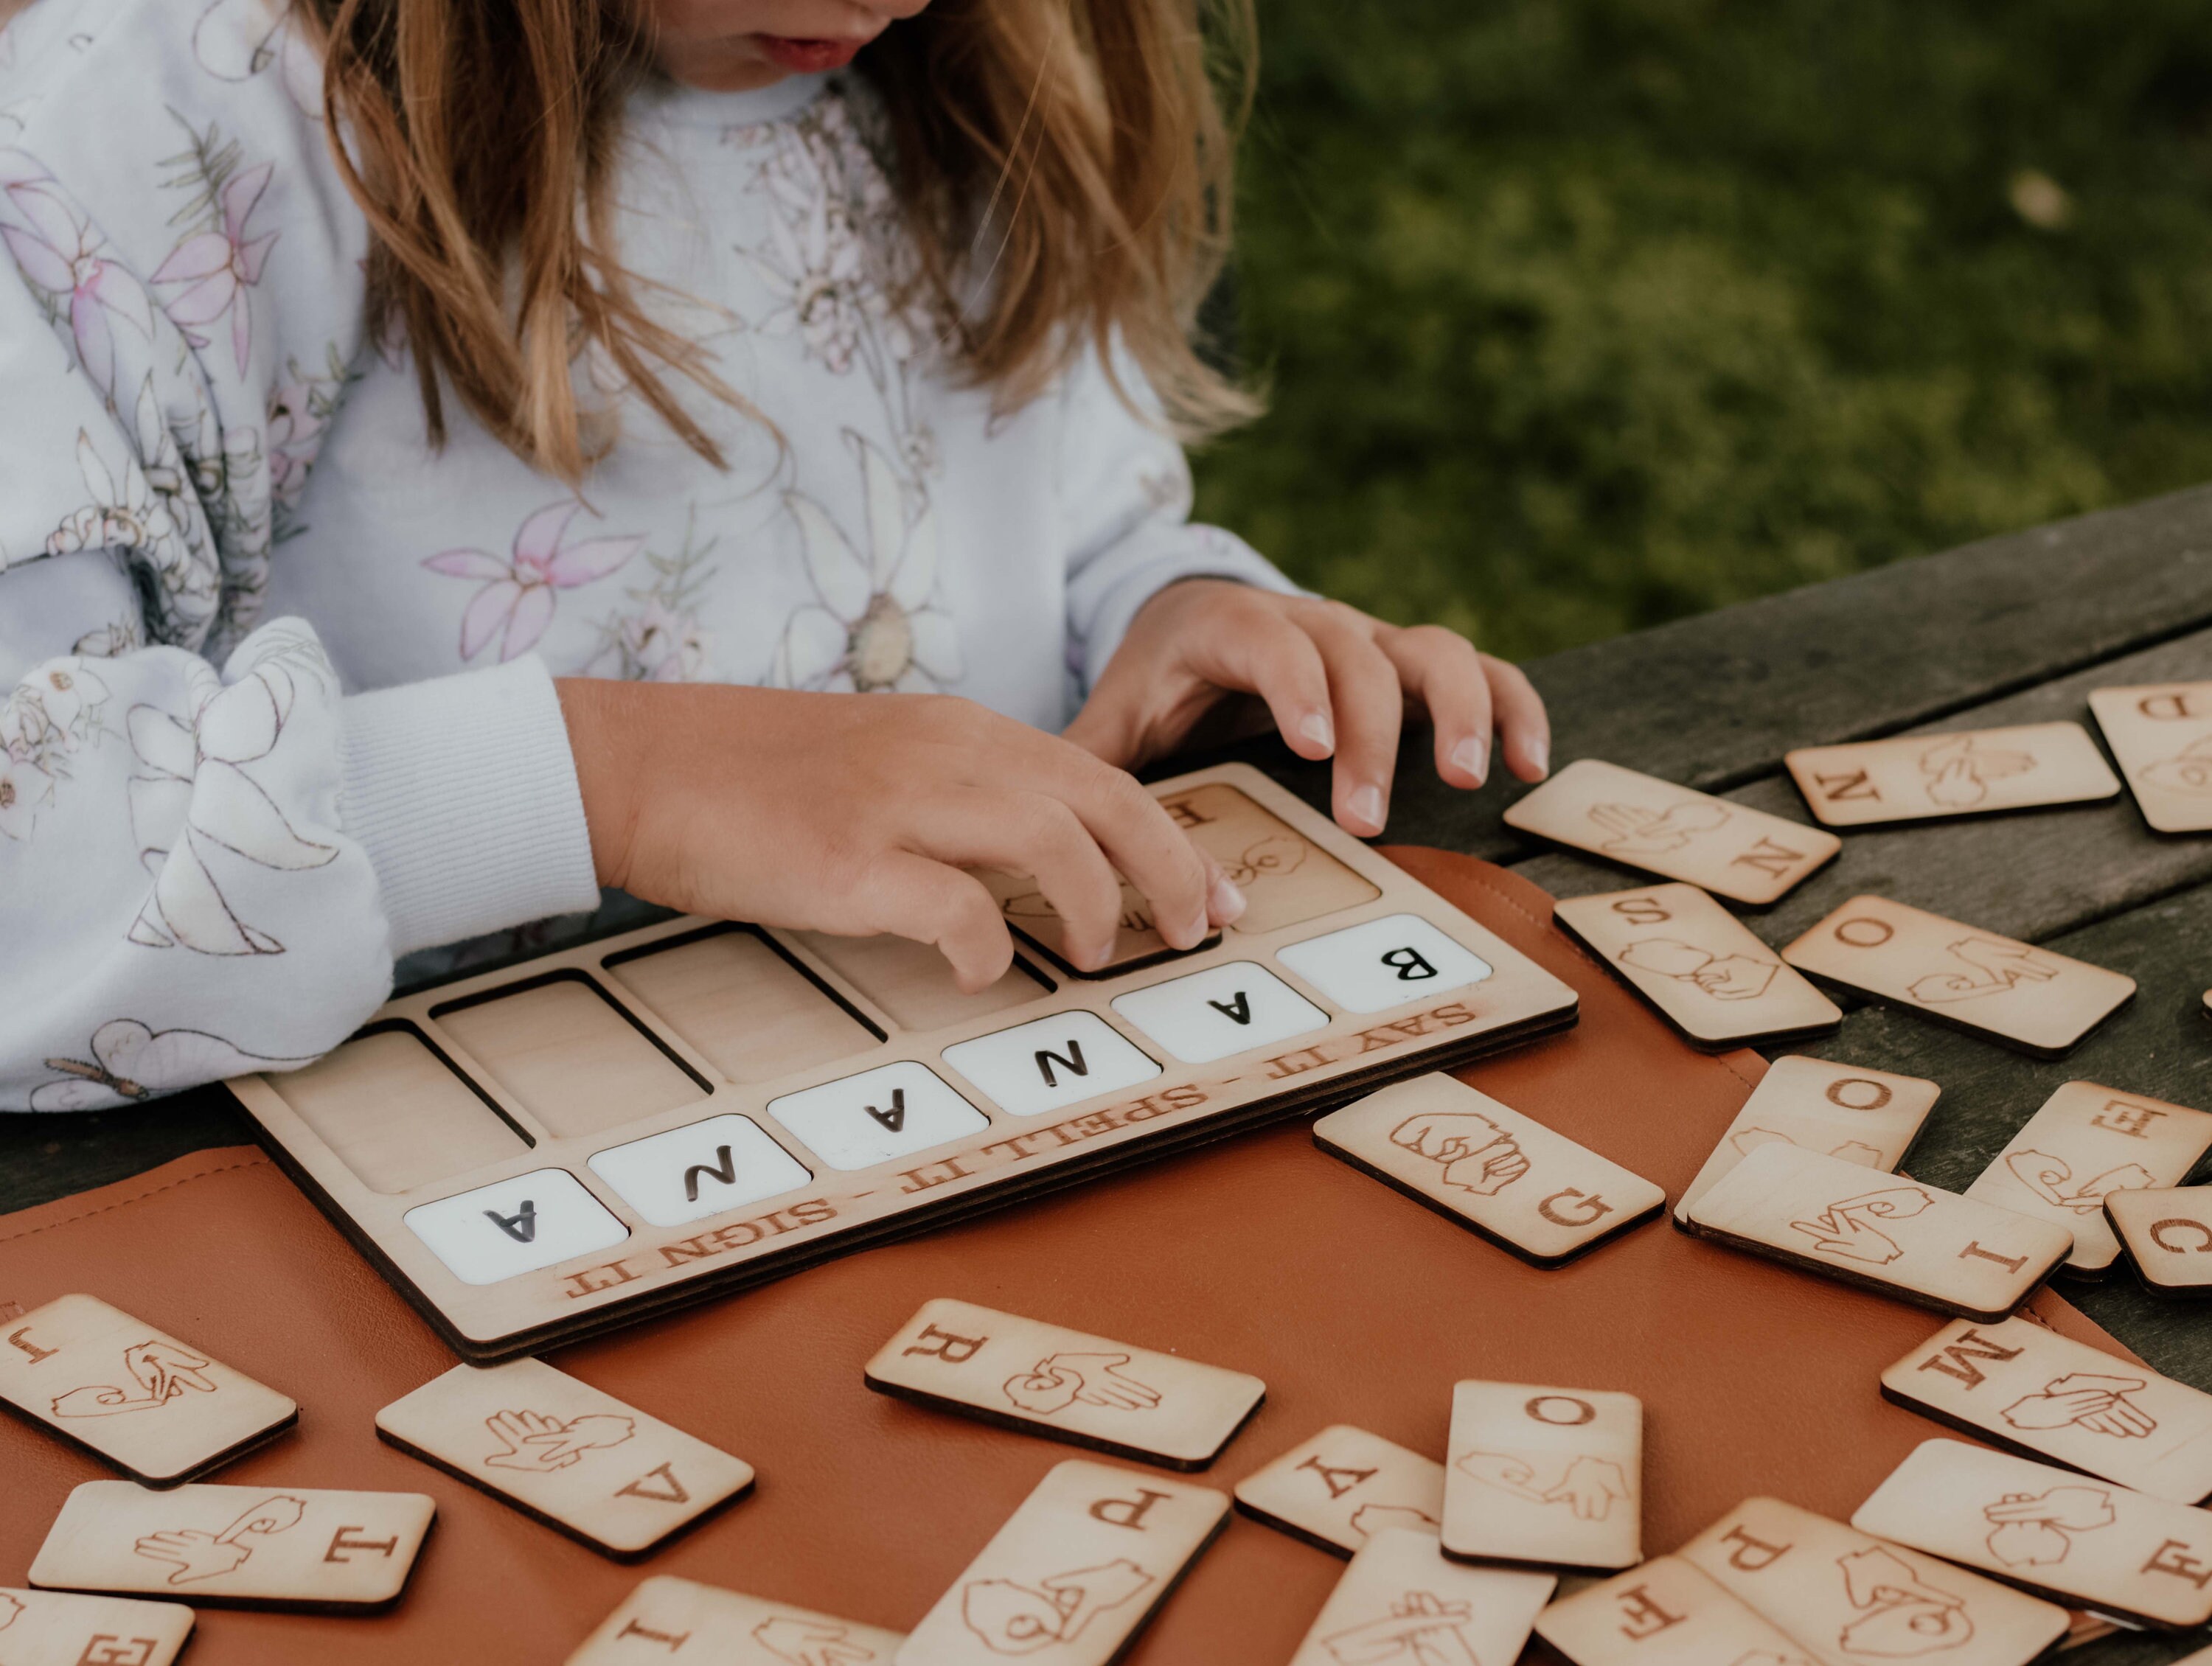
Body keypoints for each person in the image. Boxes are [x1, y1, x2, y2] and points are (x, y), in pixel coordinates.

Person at [0, 0, 1549, 1112]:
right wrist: (627, 784)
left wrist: (1162, 605)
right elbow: (34, 837)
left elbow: (1059, 507)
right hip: (425, 1255)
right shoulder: (167, 120)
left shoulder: (983, 54)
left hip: (958, 1117)